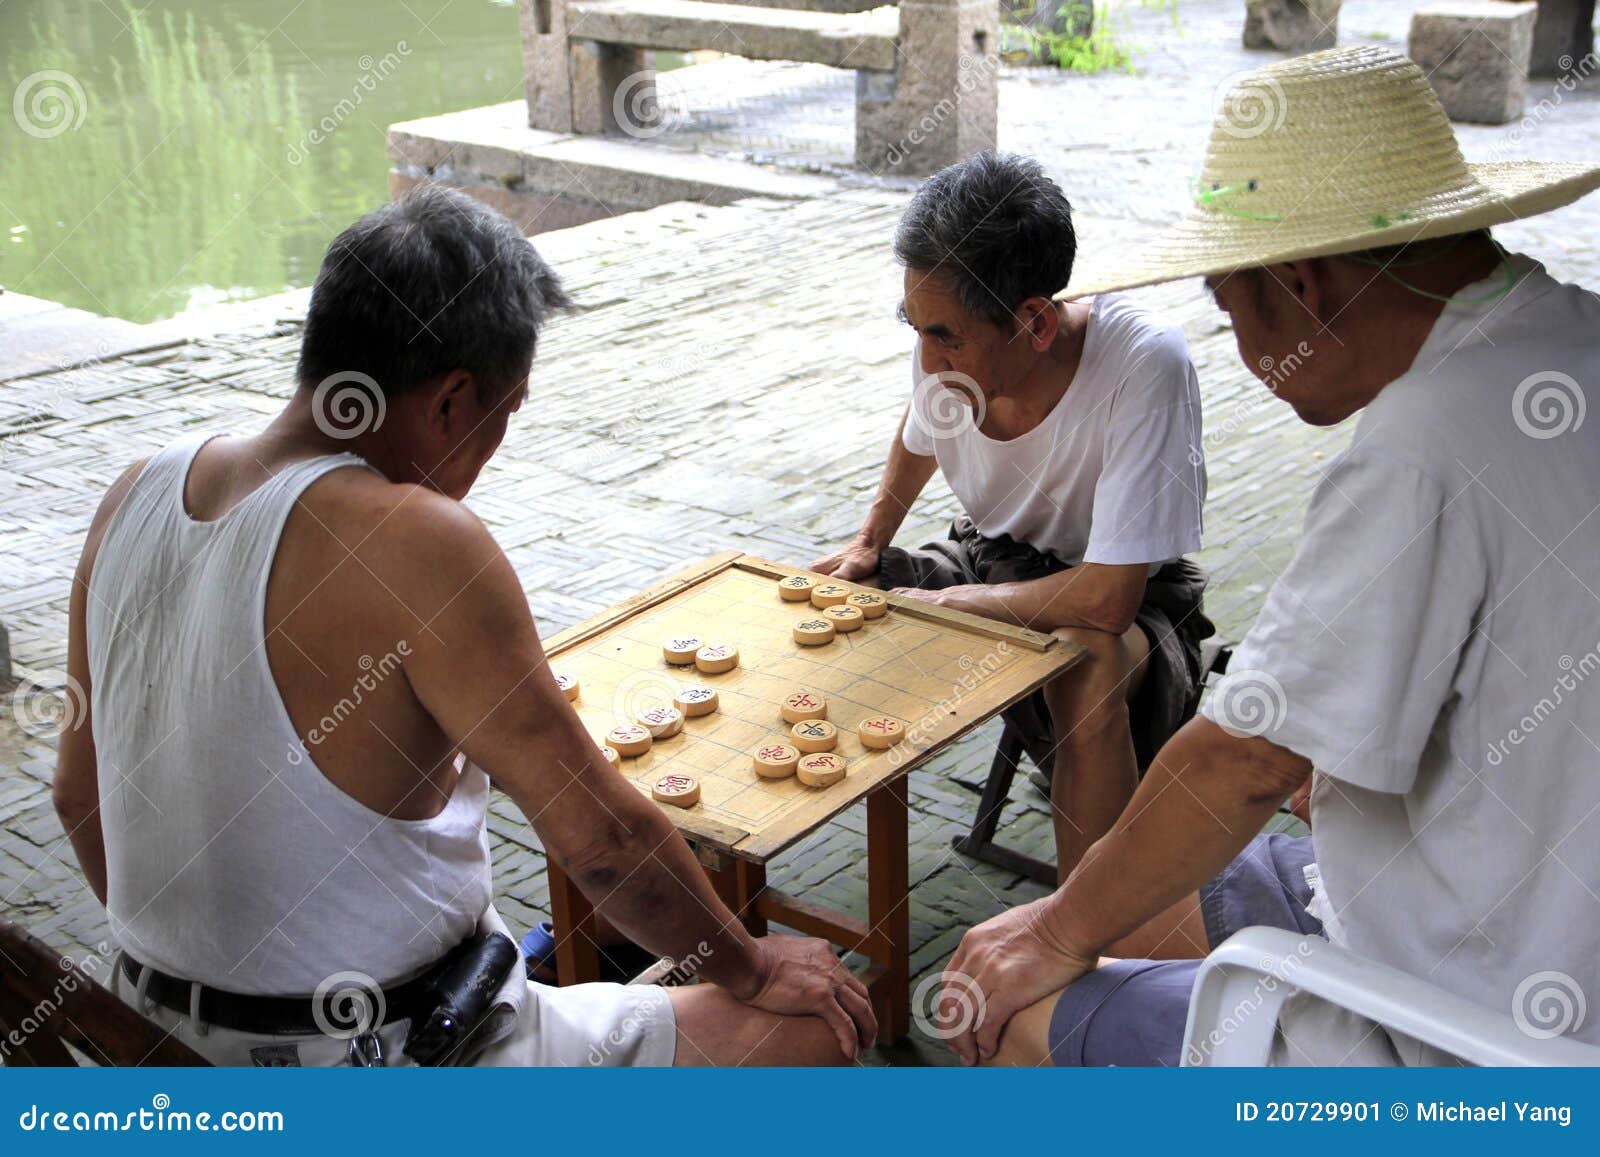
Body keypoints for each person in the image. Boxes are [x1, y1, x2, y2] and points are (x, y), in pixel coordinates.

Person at [51, 184, 876, 1067]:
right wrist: (750, 965)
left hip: (143, 1036)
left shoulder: (133, 492)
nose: (491, 448)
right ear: (451, 401)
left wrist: (213, 980)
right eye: (503, 413)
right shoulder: (414, 539)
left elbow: (74, 794)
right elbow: (603, 844)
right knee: (812, 1025)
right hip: (389, 1057)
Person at [939, 45, 1600, 1067]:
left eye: (1230, 304)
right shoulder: (1570, 336)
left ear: (1297, 278)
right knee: (1134, 896)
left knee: (1006, 1001)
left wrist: (1053, 928)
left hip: (1480, 1033)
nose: (1248, 356)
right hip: (1497, 906)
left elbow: (1247, 757)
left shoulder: (1423, 442)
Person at [812, 151, 1212, 881]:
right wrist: (869, 541)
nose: (926, 359)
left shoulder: (1145, 361)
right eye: (916, 327)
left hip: (1130, 600)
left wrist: (957, 603)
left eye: (945, 336)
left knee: (1084, 673)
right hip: (991, 552)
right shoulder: (945, 343)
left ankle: (1089, 945)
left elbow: (1106, 597)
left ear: (1033, 321)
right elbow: (921, 432)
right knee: (825, 596)